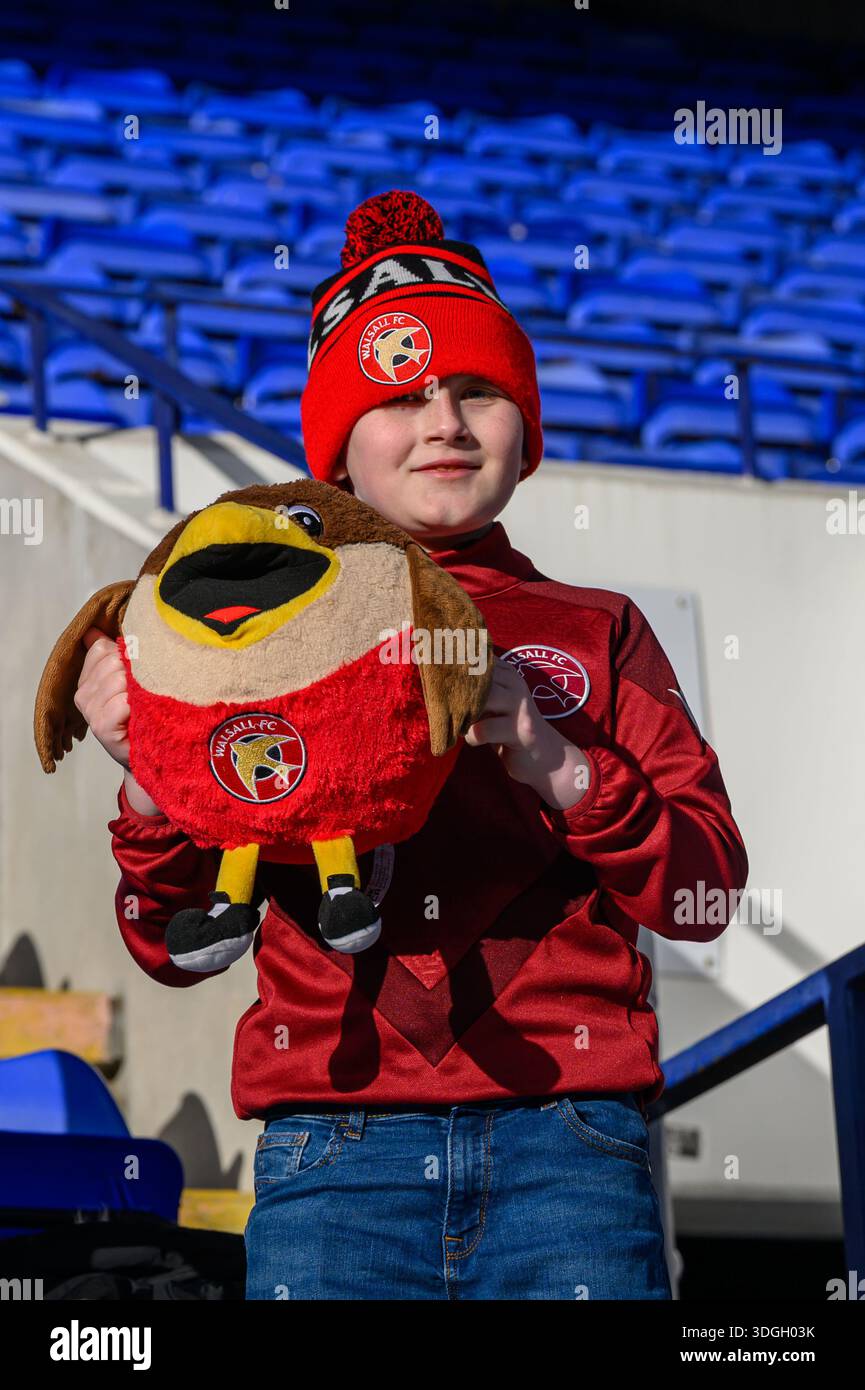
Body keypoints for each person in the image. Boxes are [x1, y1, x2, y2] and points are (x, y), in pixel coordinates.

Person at [79, 190, 748, 1300]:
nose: (443, 421)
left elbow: (705, 896)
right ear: (337, 449)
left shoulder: (598, 627)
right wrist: (153, 788)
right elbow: (171, 948)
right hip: (335, 1151)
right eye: (398, 399)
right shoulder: (250, 625)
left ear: (525, 426)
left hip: (569, 1148)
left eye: (476, 389)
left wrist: (556, 761)